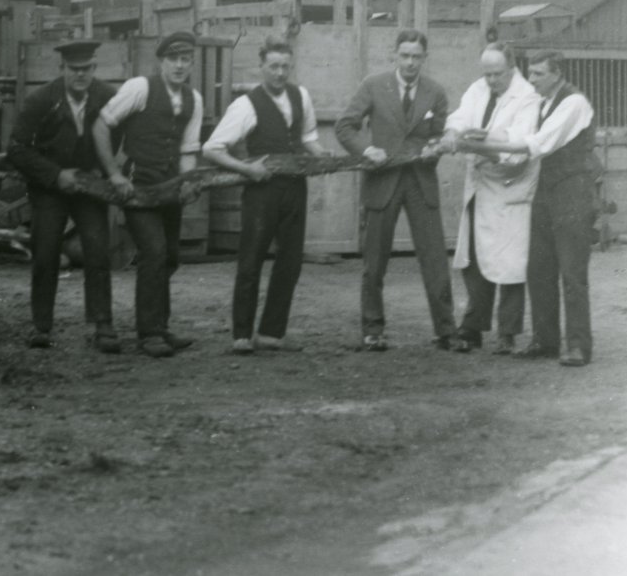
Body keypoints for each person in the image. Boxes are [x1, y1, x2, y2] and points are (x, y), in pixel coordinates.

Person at [459, 50, 599, 367]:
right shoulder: (543, 103)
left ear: (557, 74)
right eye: (531, 73)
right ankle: (545, 341)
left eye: (538, 73)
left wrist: (480, 145)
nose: (531, 79)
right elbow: (517, 135)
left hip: (573, 194)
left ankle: (578, 345)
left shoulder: (574, 103)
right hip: (544, 193)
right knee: (539, 270)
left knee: (572, 274)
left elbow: (536, 144)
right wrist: (486, 136)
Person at [335, 29, 456, 352]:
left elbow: (440, 134)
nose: (410, 63)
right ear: (394, 55)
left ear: (425, 58)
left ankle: (446, 330)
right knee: (374, 261)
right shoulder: (373, 85)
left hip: (420, 181)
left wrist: (436, 148)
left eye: (417, 57)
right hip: (383, 181)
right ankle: (372, 330)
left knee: (434, 259)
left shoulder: (436, 92)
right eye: (405, 55)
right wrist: (366, 150)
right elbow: (345, 126)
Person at [204, 37, 328, 355]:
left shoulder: (301, 95)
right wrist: (246, 169)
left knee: (290, 261)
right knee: (251, 260)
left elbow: (308, 138)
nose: (280, 73)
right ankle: (242, 334)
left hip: (295, 187)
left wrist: (322, 155)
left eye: (286, 66)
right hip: (262, 190)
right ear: (262, 67)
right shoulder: (246, 104)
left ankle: (272, 333)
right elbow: (213, 148)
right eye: (273, 66)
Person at [93, 31, 203, 358]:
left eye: (186, 59)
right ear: (161, 61)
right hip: (137, 186)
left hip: (169, 189)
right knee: (153, 252)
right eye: (174, 59)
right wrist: (113, 173)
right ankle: (148, 333)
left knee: (169, 256)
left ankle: (161, 326)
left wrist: (186, 183)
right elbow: (101, 126)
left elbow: (188, 149)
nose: (180, 66)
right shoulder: (139, 88)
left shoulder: (194, 99)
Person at [6, 40, 119, 353]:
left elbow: (122, 136)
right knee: (45, 253)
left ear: (95, 69)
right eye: (74, 69)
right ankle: (41, 325)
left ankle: (102, 323)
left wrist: (105, 169)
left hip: (89, 186)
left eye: (86, 69)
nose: (80, 75)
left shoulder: (109, 98)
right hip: (48, 188)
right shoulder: (42, 100)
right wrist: (56, 175)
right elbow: (16, 148)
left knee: (97, 251)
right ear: (62, 69)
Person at [436, 43, 541, 354]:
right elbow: (459, 117)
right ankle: (472, 327)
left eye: (497, 74)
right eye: (487, 74)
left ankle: (507, 333)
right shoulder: (478, 88)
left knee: (511, 263)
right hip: (480, 186)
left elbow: (519, 144)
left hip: (509, 185)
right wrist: (455, 132)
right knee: (474, 258)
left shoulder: (527, 97)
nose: (492, 81)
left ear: (511, 68)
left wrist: (481, 144)